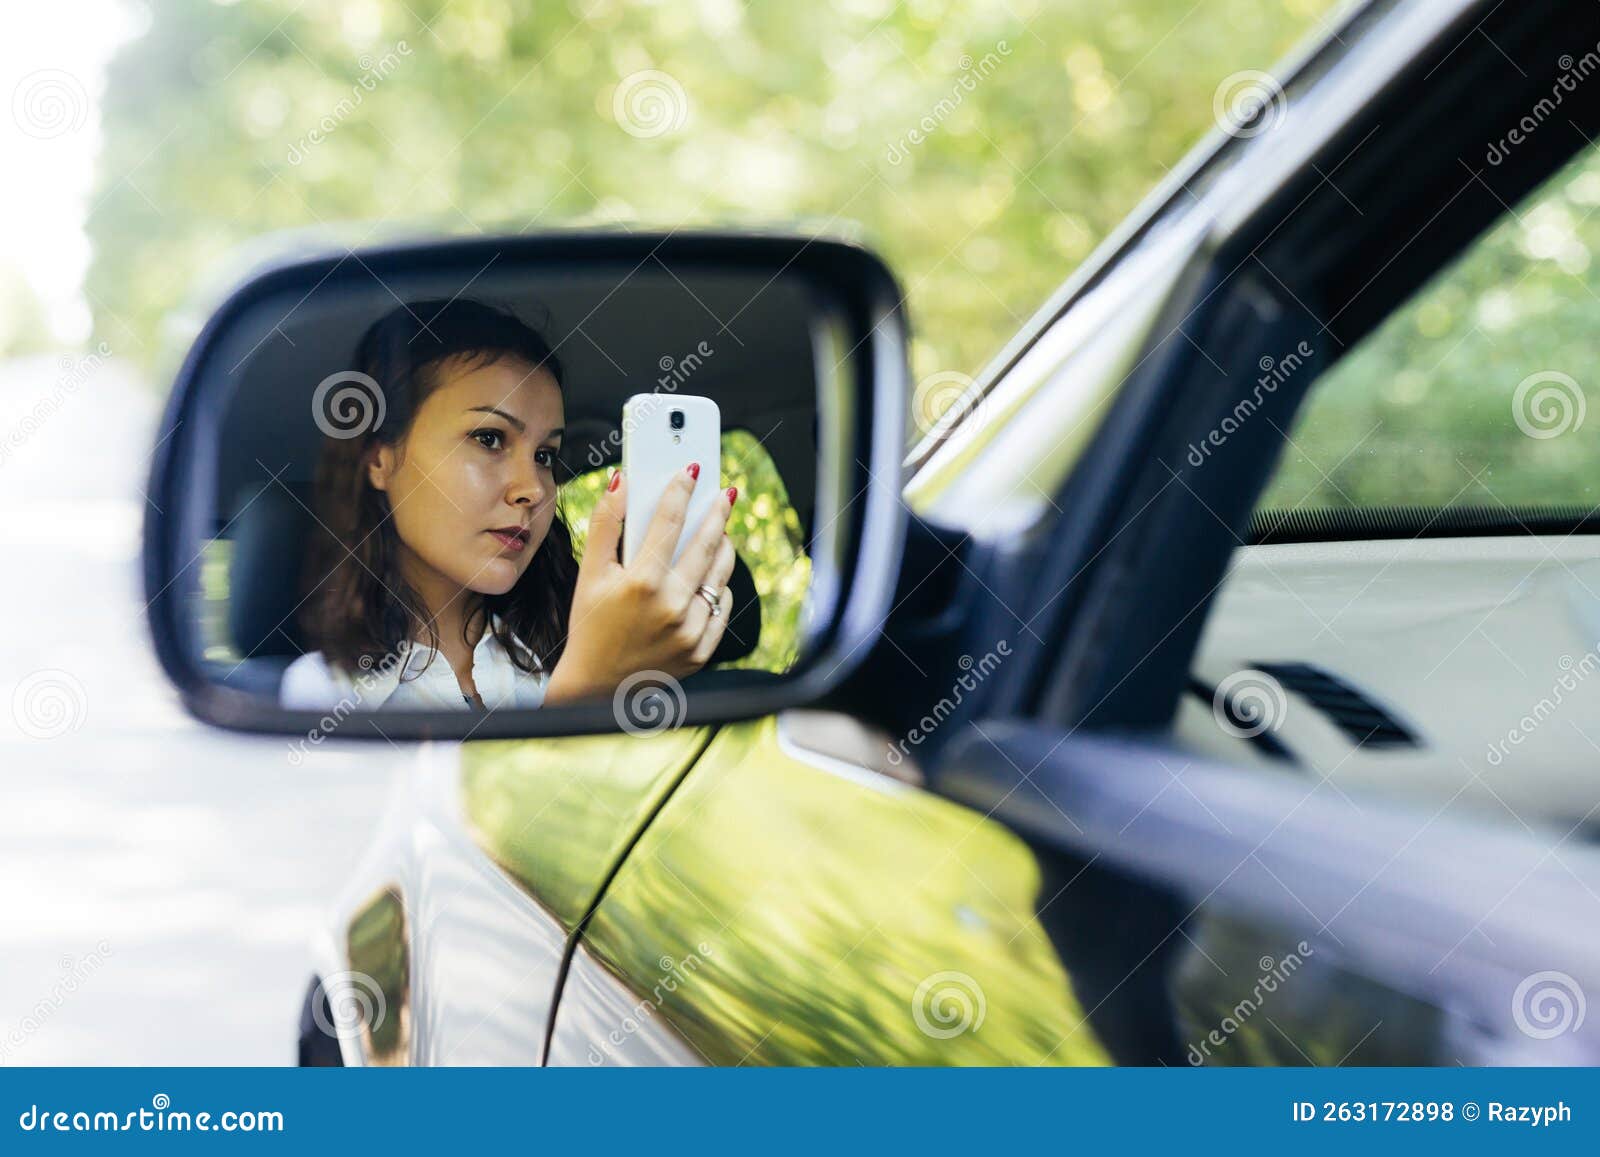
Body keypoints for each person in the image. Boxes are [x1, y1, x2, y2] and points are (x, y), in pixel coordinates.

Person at [279, 298, 739, 712]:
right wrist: (588, 688)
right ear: (380, 460)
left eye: (545, 457)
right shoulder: (322, 698)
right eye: (489, 438)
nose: (534, 489)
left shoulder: (563, 655)